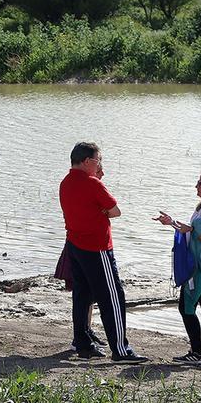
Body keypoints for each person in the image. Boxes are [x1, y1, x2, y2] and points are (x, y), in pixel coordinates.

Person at [58, 142, 147, 363]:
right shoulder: (92, 184)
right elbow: (115, 212)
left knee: (82, 296)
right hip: (96, 248)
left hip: (75, 245)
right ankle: (121, 350)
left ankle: (83, 343)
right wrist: (99, 199)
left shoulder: (66, 182)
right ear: (87, 161)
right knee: (113, 297)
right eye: (98, 161)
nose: (100, 166)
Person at [155, 171, 201, 369]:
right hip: (195, 268)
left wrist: (194, 231)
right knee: (186, 308)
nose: (197, 186)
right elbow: (190, 233)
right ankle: (196, 352)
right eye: (198, 182)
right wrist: (172, 222)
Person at [54, 162, 106, 349]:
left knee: (88, 294)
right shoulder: (88, 186)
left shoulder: (90, 187)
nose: (102, 174)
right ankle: (81, 336)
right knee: (82, 292)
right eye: (99, 170)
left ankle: (87, 331)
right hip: (80, 246)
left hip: (79, 244)